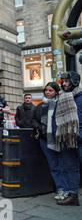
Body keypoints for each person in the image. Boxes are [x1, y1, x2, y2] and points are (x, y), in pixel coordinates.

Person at [31, 82, 65, 201]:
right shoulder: (40, 106)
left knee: (63, 165)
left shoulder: (61, 103)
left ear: (56, 91)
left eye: (50, 90)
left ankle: (67, 189)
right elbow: (33, 120)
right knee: (54, 166)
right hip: (45, 139)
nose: (48, 92)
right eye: (46, 90)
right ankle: (60, 188)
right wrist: (40, 127)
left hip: (59, 139)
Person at [52, 71, 82, 206]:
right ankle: (73, 195)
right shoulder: (62, 98)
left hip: (80, 138)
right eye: (62, 81)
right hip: (68, 139)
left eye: (66, 81)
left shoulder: (81, 97)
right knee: (70, 167)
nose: (63, 84)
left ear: (74, 82)